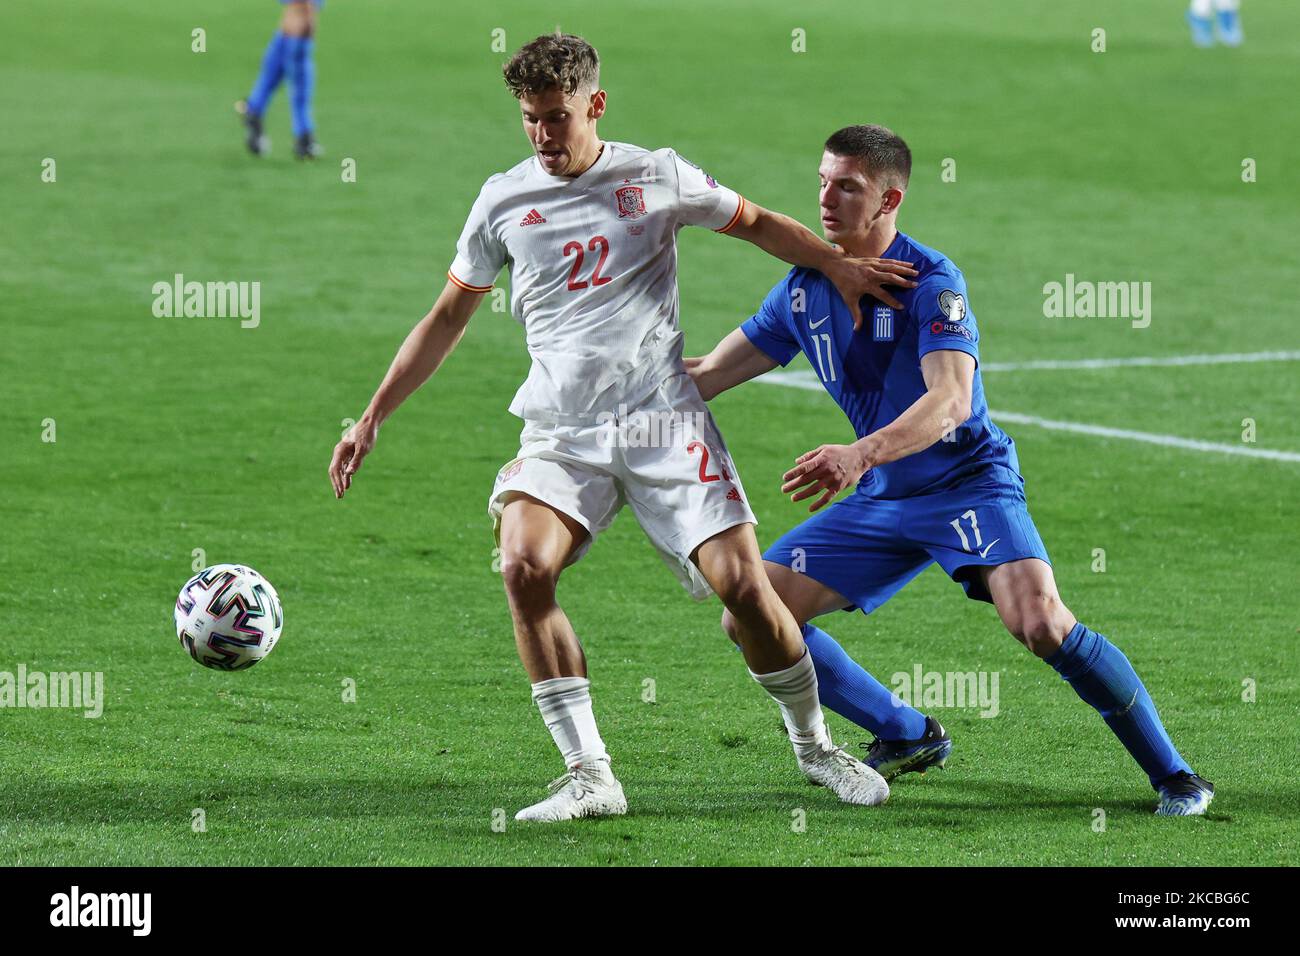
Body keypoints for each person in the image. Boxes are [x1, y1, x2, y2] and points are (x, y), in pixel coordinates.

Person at [327, 36, 919, 821]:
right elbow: (446, 316)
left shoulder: (656, 175)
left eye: (557, 117)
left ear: (595, 105)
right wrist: (371, 416)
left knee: (744, 588)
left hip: (663, 421)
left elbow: (758, 223)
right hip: (562, 432)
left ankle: (816, 749)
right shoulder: (501, 200)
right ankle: (590, 776)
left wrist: (838, 265)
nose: (542, 134)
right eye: (530, 120)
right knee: (523, 569)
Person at [686, 124, 1214, 816]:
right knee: (755, 616)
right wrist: (591, 394)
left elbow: (950, 402)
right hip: (885, 495)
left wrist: (858, 453)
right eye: (821, 182)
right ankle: (907, 734)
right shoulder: (801, 291)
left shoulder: (930, 281)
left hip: (967, 483)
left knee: (1041, 623)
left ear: (888, 198)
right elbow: (707, 375)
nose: (827, 198)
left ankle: (1176, 776)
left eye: (847, 186)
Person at [235, 1, 323, 159]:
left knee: (272, 71)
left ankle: (253, 111)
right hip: (298, 38)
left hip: (286, 36)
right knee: (300, 88)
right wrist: (307, 34)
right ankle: (304, 138)